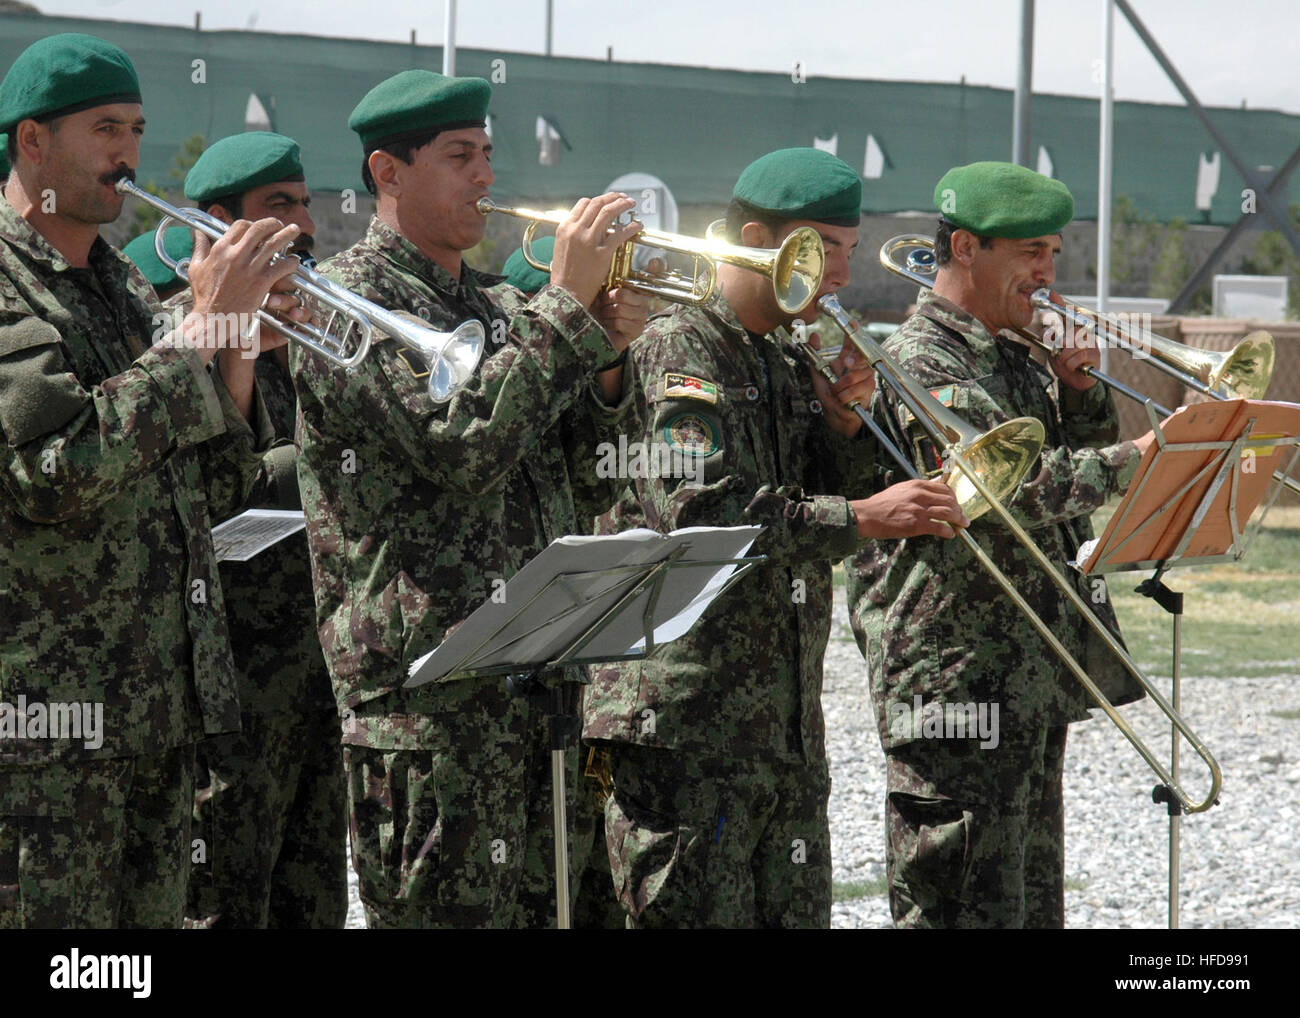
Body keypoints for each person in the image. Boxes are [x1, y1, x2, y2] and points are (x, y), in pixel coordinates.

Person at [291, 68, 649, 928]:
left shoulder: (494, 305)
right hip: (424, 712)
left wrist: (604, 357)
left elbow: (589, 476)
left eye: (488, 154)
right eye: (461, 157)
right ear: (388, 173)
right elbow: (463, 449)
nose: (487, 177)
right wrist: (564, 308)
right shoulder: (344, 303)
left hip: (531, 692)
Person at [581, 147, 969, 928]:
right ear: (757, 237)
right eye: (825, 249)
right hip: (685, 728)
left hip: (781, 728)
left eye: (849, 253)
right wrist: (863, 515)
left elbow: (834, 493)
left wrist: (845, 419)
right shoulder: (679, 348)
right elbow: (703, 516)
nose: (840, 277)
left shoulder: (791, 358)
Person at [0, 33, 308, 928]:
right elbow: (51, 473)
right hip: (48, 734)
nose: (127, 154)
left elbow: (213, 492)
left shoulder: (123, 288)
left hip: (158, 721)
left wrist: (237, 353)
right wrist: (202, 332)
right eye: (104, 129)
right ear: (31, 143)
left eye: (135, 129)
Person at [844, 160, 1152, 929]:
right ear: (968, 249)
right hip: (953, 674)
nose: (1048, 272)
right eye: (1031, 253)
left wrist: (1080, 397)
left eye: (1053, 251)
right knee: (955, 905)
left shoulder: (1007, 351)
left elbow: (1053, 492)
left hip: (1022, 668)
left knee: (1025, 905)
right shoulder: (921, 359)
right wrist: (1138, 461)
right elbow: (1006, 493)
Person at [163, 132, 346, 929]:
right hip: (224, 690)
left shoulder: (316, 336)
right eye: (279, 208)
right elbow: (211, 493)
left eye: (306, 204)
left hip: (313, 678)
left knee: (314, 905)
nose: (304, 226)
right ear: (218, 225)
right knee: (226, 907)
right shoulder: (173, 336)